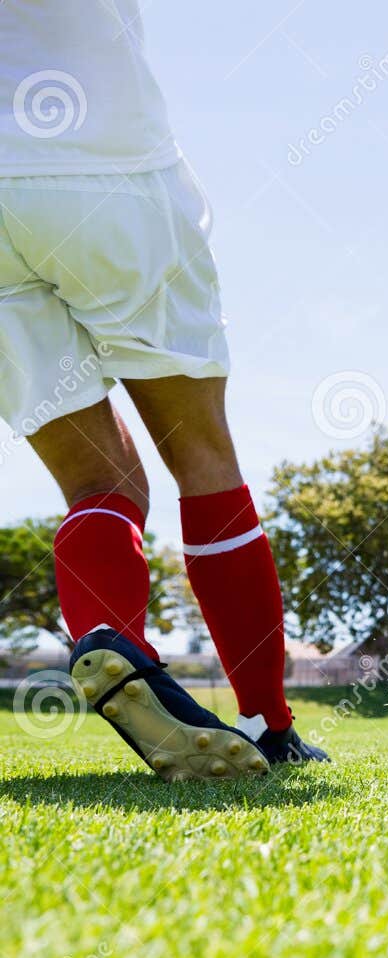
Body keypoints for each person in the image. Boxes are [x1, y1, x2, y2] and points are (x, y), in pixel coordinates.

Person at [1, 1, 326, 778]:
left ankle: (116, 646)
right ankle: (269, 724)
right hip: (103, 166)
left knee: (98, 482)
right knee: (203, 458)